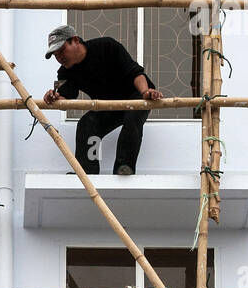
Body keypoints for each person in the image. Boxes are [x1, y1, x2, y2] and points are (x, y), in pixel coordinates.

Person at [41, 24, 163, 175]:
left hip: (136, 94)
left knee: (133, 118)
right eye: (55, 55)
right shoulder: (65, 72)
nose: (60, 58)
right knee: (87, 125)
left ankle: (124, 167)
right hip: (108, 105)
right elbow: (66, 96)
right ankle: (88, 170)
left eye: (62, 51)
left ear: (76, 40)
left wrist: (145, 92)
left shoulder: (106, 46)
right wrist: (55, 97)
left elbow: (135, 72)